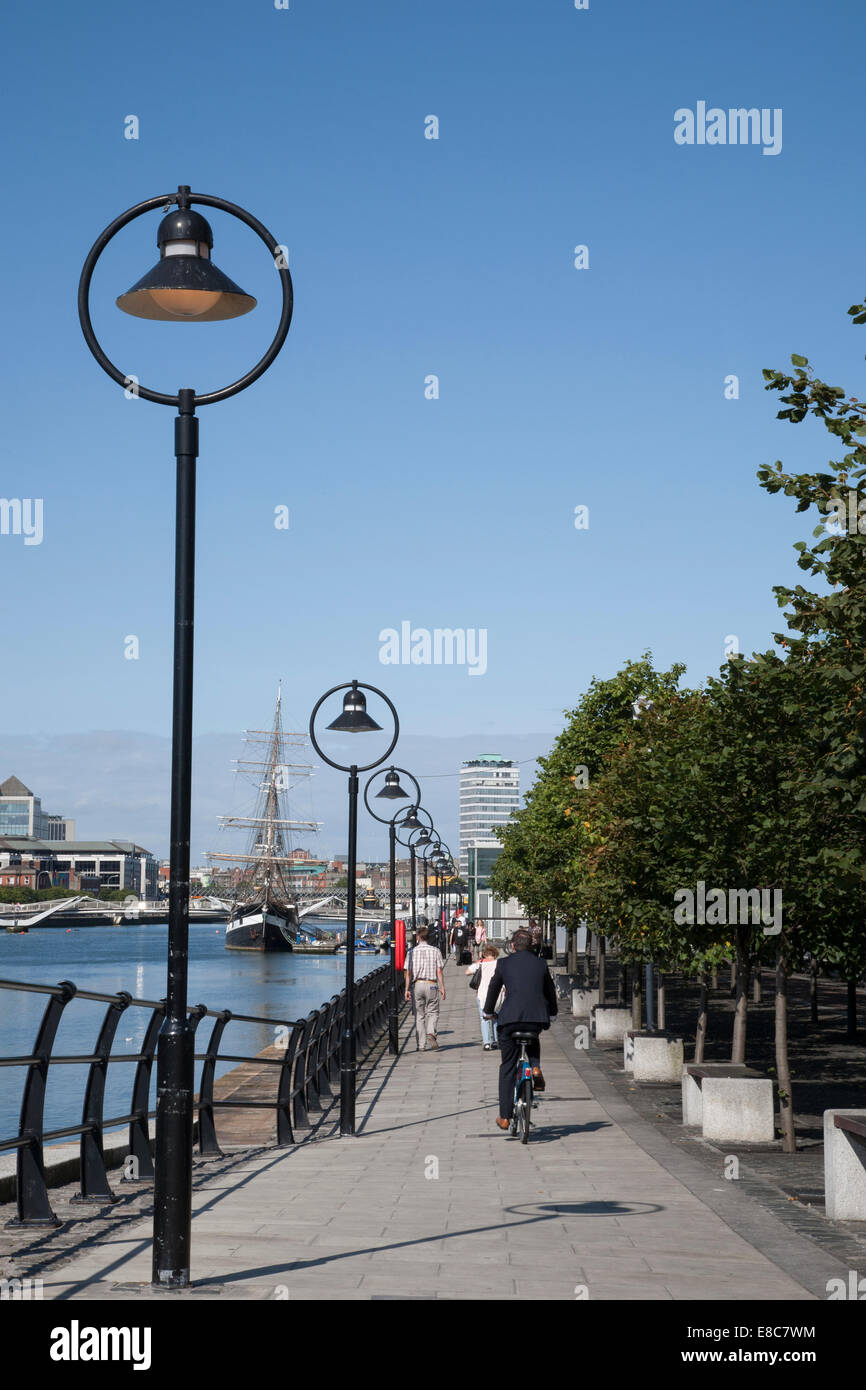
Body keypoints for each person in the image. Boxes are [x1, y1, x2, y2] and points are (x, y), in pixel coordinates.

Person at [483, 927, 558, 1130]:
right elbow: (549, 991)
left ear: (513, 946)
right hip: (536, 1018)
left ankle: (505, 1117)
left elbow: (493, 988)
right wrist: (552, 1011)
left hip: (510, 1019)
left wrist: (488, 1011)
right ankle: (535, 1066)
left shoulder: (504, 964)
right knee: (533, 1035)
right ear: (531, 946)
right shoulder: (541, 963)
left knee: (507, 1067)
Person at [404, 924, 445, 1051]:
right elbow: (439, 971)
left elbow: (408, 973)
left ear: (418, 937)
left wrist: (406, 989)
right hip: (432, 984)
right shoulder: (436, 950)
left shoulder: (411, 952)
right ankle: (431, 1032)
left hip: (418, 984)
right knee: (433, 1012)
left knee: (419, 1015)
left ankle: (421, 1045)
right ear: (428, 937)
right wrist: (442, 987)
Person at [467, 944, 501, 1049]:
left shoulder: (481, 963)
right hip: (497, 994)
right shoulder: (499, 964)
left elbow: (467, 972)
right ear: (495, 954)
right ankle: (495, 1041)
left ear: (485, 954)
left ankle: (486, 1043)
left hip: (482, 994)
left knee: (484, 1018)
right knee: (495, 1017)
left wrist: (478, 965)